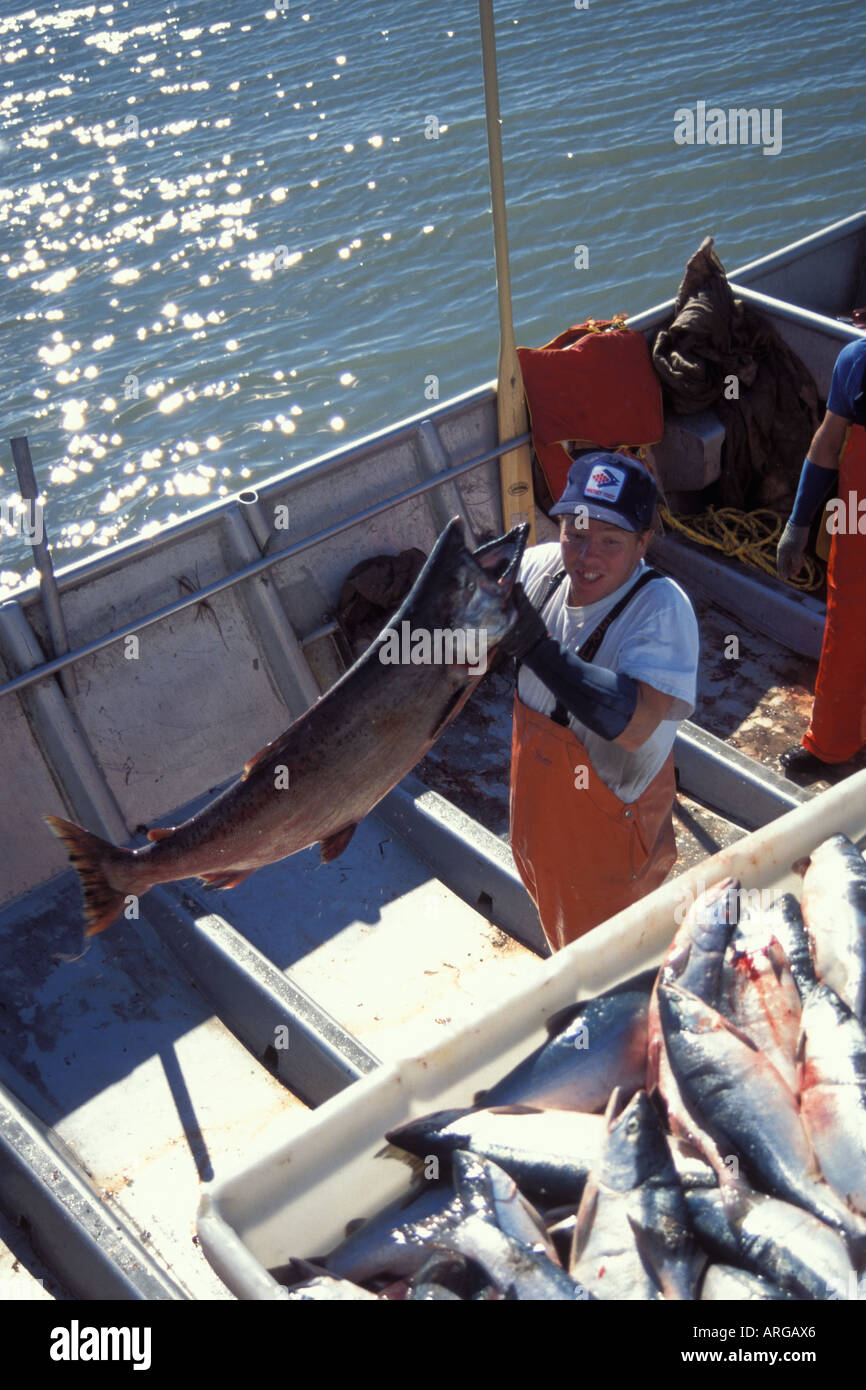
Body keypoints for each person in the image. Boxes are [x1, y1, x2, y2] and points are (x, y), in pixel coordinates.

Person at [499, 451, 699, 953]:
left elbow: (632, 724)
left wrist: (534, 647)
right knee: (560, 927)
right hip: (536, 813)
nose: (587, 557)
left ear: (643, 544)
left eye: (611, 542)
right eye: (576, 533)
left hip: (608, 834)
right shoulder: (543, 570)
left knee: (615, 961)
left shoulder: (661, 607)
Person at [776, 336, 866, 781]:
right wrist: (798, 523)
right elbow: (829, 442)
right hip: (858, 523)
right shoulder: (856, 361)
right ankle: (830, 746)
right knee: (846, 634)